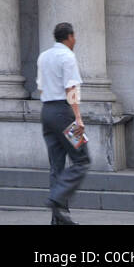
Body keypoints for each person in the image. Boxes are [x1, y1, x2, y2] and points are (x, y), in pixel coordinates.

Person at [37, 21, 90, 225]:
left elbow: (41, 88)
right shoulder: (68, 56)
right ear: (69, 37)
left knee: (56, 165)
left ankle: (58, 219)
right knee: (82, 158)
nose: (75, 40)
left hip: (47, 113)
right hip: (63, 114)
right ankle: (57, 199)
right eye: (74, 36)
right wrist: (78, 117)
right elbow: (71, 88)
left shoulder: (44, 56)